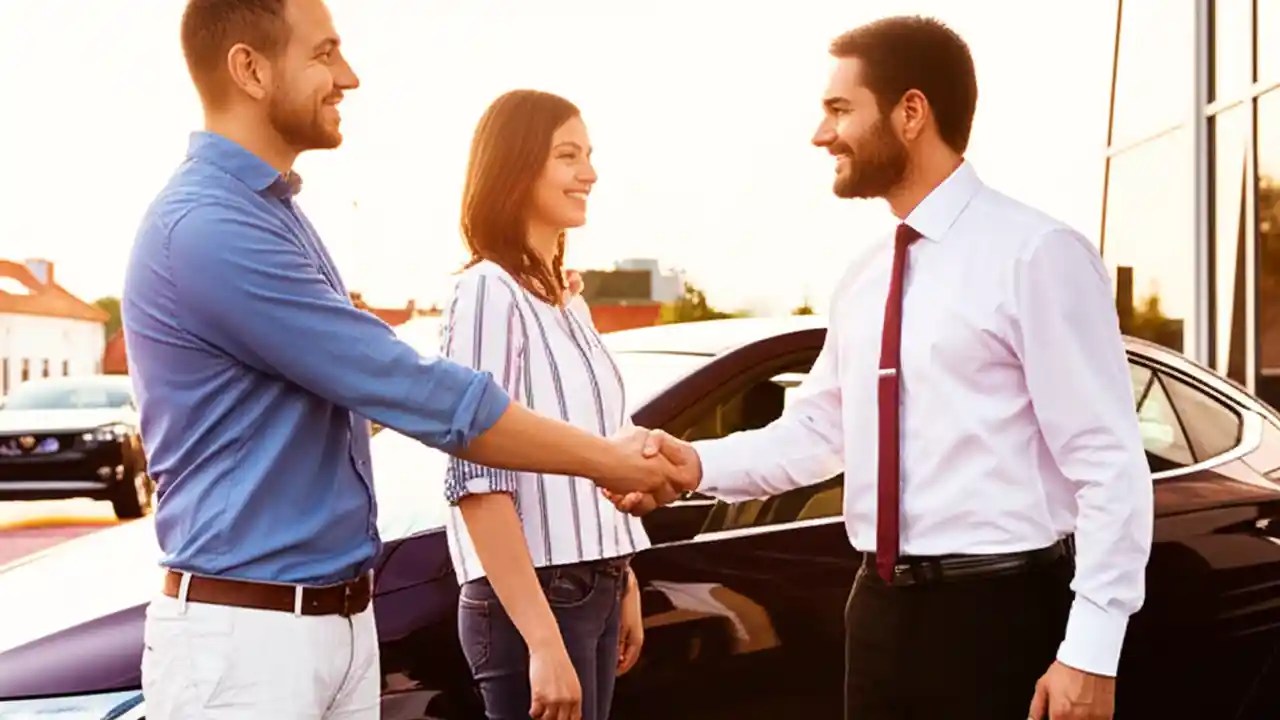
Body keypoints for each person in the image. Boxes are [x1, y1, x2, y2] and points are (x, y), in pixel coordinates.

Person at [122, 2, 687, 718]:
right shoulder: (209, 226)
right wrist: (609, 462)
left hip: (327, 626)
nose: (348, 77)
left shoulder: (274, 215)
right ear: (251, 69)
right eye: (325, 54)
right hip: (252, 642)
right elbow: (414, 391)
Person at [616, 15, 1153, 720]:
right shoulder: (867, 278)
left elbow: (1108, 463)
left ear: (910, 112)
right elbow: (819, 430)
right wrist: (695, 465)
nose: (821, 134)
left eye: (840, 109)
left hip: (1000, 615)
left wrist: (1091, 649)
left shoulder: (1037, 255)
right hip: (876, 613)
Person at [440, 89, 649, 720]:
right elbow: (475, 475)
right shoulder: (485, 293)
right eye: (567, 155)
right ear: (516, 165)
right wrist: (541, 640)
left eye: (588, 155)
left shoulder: (570, 303)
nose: (589, 172)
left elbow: (601, 449)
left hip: (597, 585)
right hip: (534, 601)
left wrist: (623, 574)